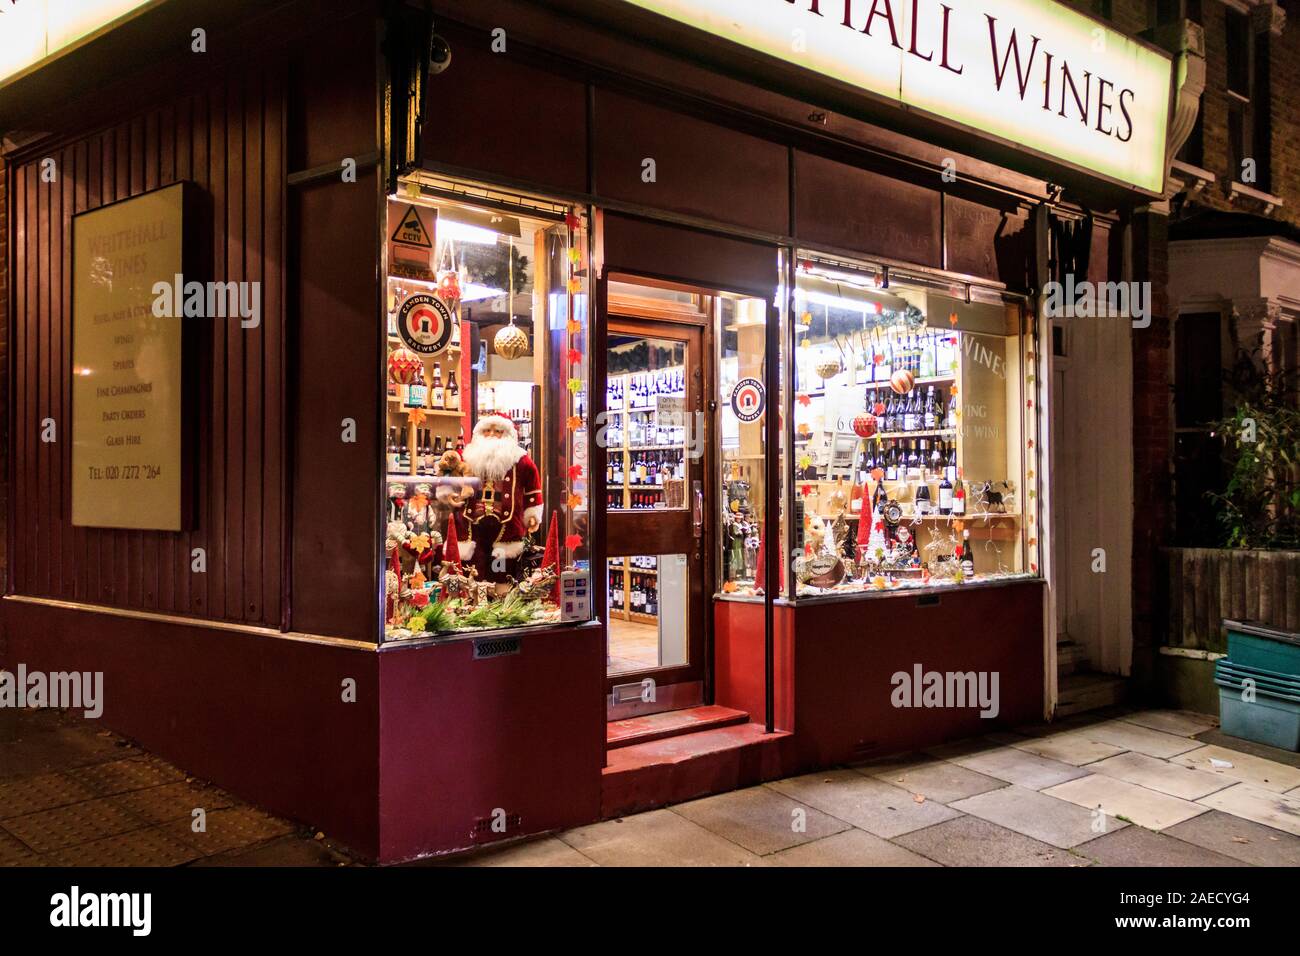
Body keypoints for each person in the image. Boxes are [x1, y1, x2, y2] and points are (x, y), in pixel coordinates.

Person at [459, 413, 543, 590]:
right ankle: (474, 597)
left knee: (502, 565)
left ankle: (500, 599)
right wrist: (454, 494)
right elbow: (450, 481)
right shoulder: (468, 458)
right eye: (487, 430)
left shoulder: (521, 461)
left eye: (497, 431)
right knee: (475, 563)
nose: (490, 434)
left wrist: (533, 515)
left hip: (508, 523)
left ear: (507, 435)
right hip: (472, 522)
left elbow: (532, 491)